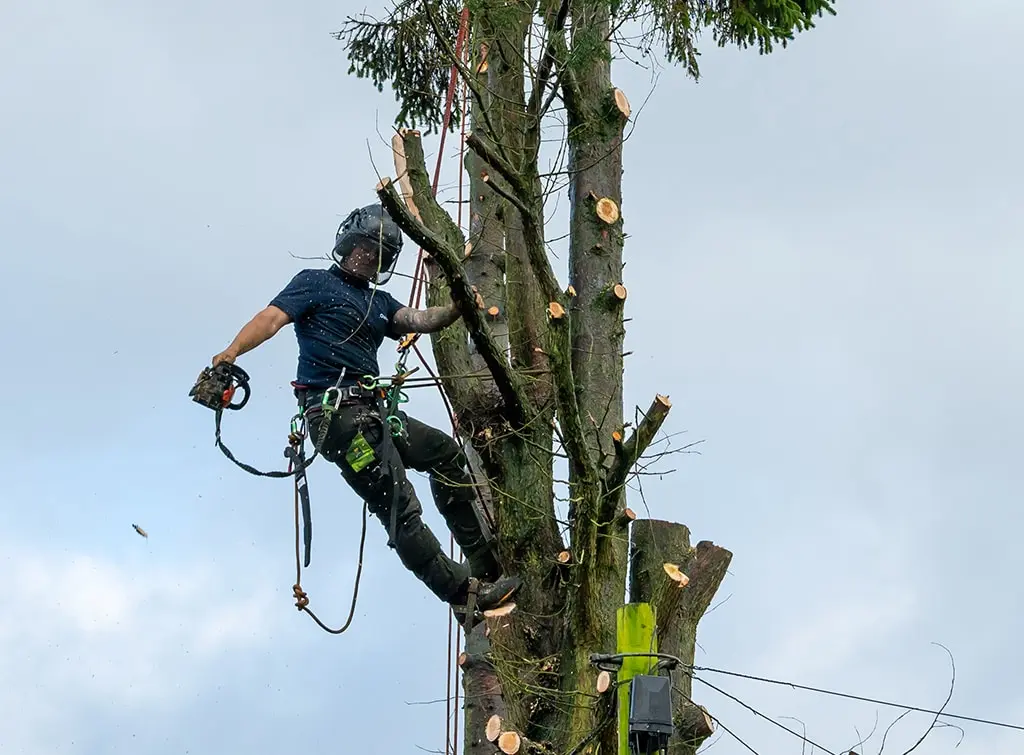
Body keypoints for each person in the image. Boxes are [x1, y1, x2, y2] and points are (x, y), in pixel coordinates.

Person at [211, 203, 521, 614]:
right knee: (399, 506)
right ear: (346, 245)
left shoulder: (379, 301)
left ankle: (485, 560)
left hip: (375, 413)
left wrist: (454, 309)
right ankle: (463, 596)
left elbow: (416, 319)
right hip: (336, 418)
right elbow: (269, 319)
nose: (367, 259)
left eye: (377, 256)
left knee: (444, 452)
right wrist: (232, 352)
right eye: (363, 249)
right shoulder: (313, 284)